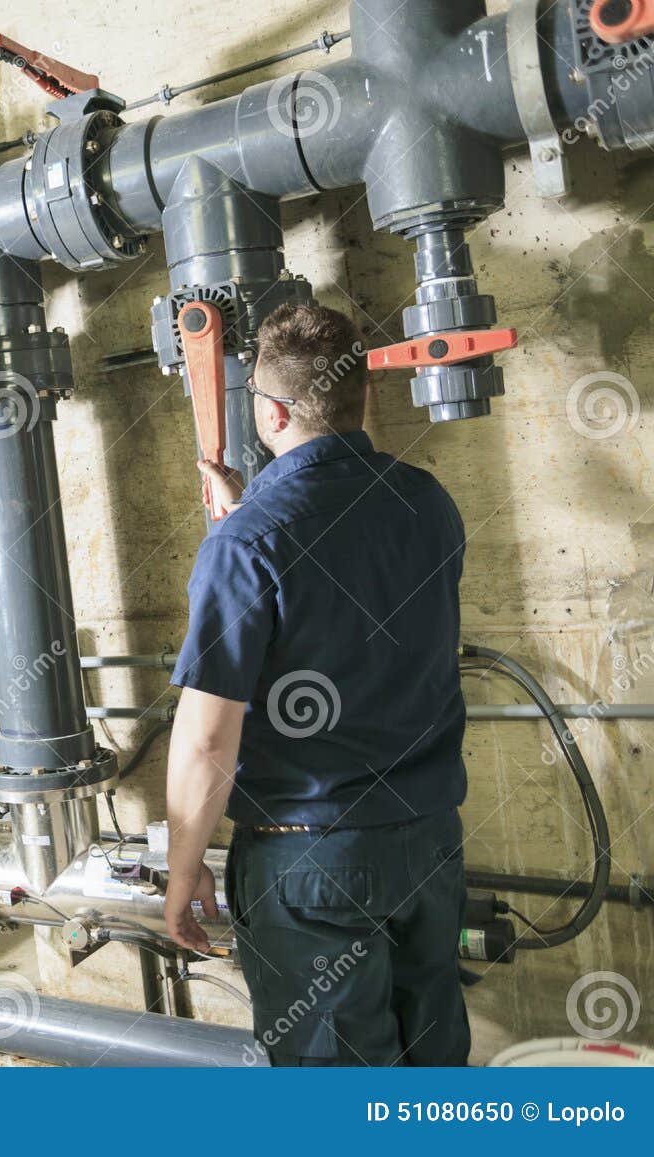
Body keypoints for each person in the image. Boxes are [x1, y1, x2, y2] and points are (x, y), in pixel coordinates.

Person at [160, 301, 471, 1066]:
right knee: (432, 1074)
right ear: (362, 395)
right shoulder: (429, 503)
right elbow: (348, 597)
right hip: (429, 842)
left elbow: (207, 737)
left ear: (267, 412)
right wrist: (248, 518)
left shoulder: (248, 545)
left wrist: (182, 864)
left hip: (313, 864)